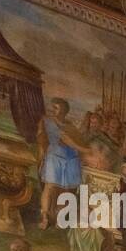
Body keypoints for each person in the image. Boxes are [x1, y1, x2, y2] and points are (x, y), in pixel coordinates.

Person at [37, 98, 86, 231]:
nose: (53, 110)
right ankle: (45, 217)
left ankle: (60, 217)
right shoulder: (46, 121)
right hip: (54, 157)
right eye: (52, 107)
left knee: (68, 190)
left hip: (71, 159)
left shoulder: (70, 126)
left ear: (64, 111)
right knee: (50, 187)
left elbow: (77, 142)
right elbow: (41, 139)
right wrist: (42, 154)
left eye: (56, 108)